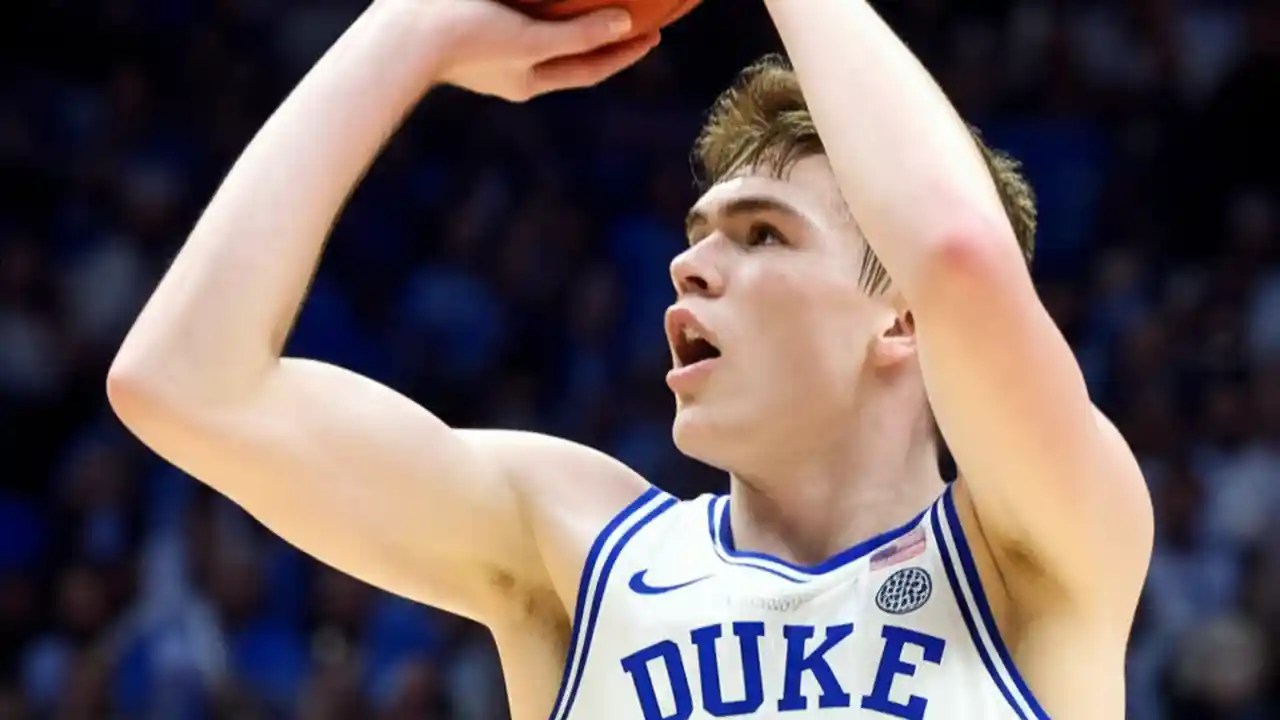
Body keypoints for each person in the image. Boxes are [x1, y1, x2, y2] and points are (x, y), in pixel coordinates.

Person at [106, 0, 1154, 717]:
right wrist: (409, 26)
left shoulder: (1031, 555)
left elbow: (956, 254)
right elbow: (185, 382)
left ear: (903, 322)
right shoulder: (576, 545)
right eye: (697, 230)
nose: (689, 266)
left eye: (761, 234)